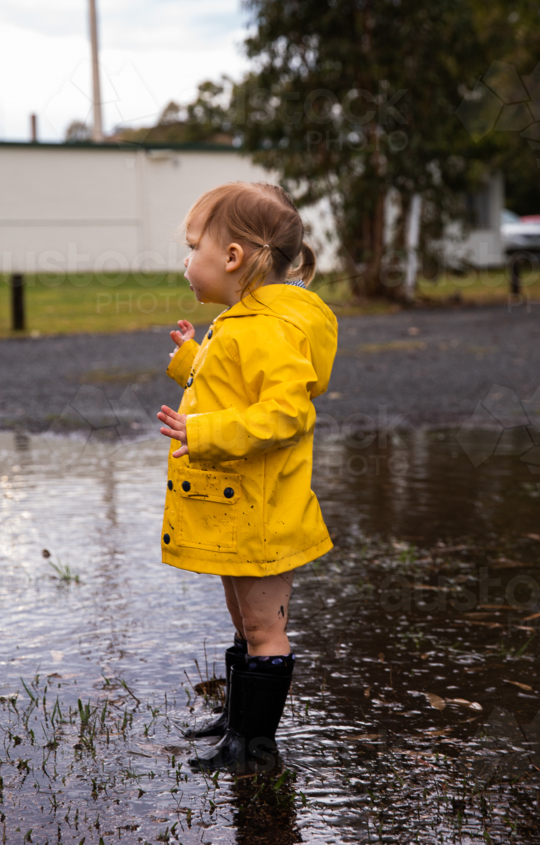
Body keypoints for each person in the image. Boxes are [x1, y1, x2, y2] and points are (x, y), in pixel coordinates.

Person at [157, 181, 338, 774]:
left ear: (232, 258)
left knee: (264, 628)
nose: (186, 261)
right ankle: (237, 723)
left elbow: (286, 413)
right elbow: (233, 384)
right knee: (245, 621)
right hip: (237, 505)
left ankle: (256, 748)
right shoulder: (243, 318)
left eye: (193, 248)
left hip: (261, 511)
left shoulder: (269, 326)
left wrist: (201, 433)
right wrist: (193, 356)